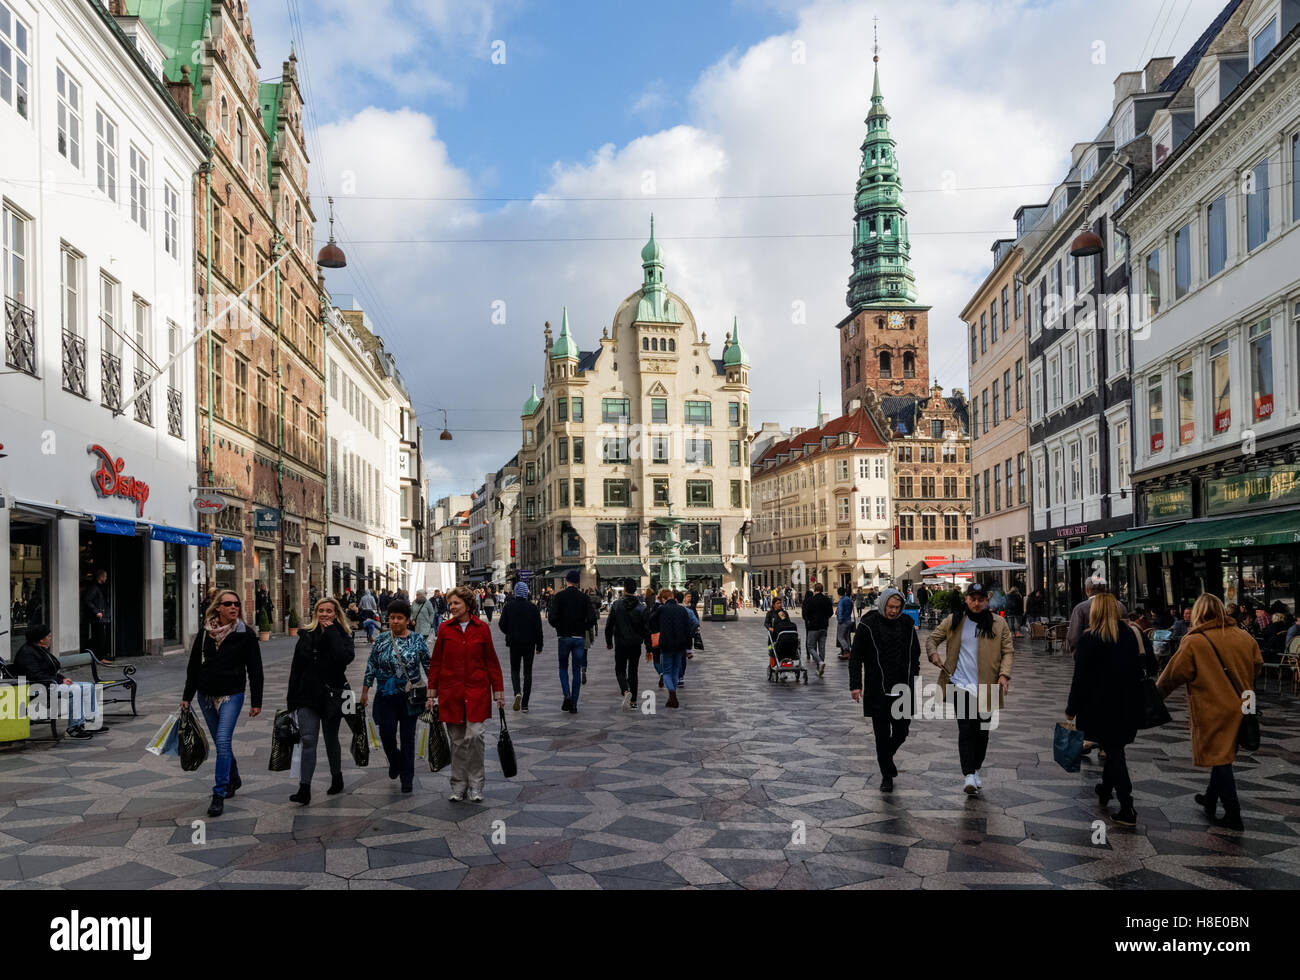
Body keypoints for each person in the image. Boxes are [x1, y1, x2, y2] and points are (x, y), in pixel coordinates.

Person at [1157, 594, 1263, 831]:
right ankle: (1210, 798)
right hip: (1242, 705)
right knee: (1223, 755)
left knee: (1220, 758)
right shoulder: (1244, 636)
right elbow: (1257, 666)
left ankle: (1233, 814)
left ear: (1197, 613)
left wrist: (1153, 699)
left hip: (1212, 708)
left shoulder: (1194, 642)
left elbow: (1172, 675)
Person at [925, 582, 1014, 796]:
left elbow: (1008, 651)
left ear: (986, 600)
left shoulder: (998, 623)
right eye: (972, 598)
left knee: (982, 732)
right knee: (966, 729)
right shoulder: (954, 621)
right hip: (959, 683)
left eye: (980, 599)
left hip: (988, 684)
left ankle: (975, 769)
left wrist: (1004, 674)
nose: (976, 602)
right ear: (966, 599)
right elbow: (932, 639)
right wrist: (933, 655)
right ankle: (968, 775)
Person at [182, 590, 264, 817]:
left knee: (222, 739)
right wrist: (187, 697)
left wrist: (256, 701)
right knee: (222, 743)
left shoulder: (245, 634)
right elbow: (193, 667)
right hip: (205, 694)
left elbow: (256, 670)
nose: (234, 607)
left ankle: (219, 793)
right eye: (228, 604)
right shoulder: (206, 632)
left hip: (231, 694)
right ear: (218, 607)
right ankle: (234, 778)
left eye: (236, 604)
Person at [1065, 593, 1145, 827]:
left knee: (1115, 751)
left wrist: (1071, 708)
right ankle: (1104, 788)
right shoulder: (1131, 635)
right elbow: (1147, 664)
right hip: (1128, 705)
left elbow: (1079, 679)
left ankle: (1127, 805)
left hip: (1099, 708)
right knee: (1114, 748)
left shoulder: (1089, 640)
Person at [427, 587, 505, 803]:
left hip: (476, 691)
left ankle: (477, 784)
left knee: (475, 736)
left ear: (468, 605)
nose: (452, 607)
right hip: (451, 692)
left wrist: (498, 691)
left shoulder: (481, 629)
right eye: (450, 604)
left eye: (456, 604)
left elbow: (491, 661)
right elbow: (436, 662)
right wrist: (431, 693)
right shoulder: (444, 629)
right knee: (458, 741)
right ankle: (459, 784)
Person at [849, 589, 921, 792]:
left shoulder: (907, 624)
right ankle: (886, 775)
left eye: (897, 608)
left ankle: (886, 760)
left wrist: (913, 674)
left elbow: (915, 652)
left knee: (901, 731)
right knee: (881, 735)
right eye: (890, 607)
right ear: (882, 605)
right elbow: (855, 657)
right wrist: (855, 685)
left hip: (902, 689)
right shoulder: (868, 624)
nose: (893, 611)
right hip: (877, 689)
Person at [285, 597, 354, 805]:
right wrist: (291, 701)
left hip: (332, 694)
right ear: (315, 613)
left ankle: (337, 776)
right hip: (308, 695)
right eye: (321, 611)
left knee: (331, 739)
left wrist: (332, 631)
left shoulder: (343, 634)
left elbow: (344, 658)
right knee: (308, 740)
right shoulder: (306, 635)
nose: (324, 614)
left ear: (336, 614)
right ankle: (304, 788)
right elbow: (296, 668)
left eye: (329, 611)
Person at [360, 598, 431, 794]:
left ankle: (407, 778)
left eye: (400, 618)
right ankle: (395, 761)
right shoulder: (382, 640)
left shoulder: (417, 640)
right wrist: (365, 691)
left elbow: (429, 666)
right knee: (386, 734)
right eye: (392, 618)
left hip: (410, 697)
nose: (396, 621)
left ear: (408, 620)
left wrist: (433, 694)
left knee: (408, 737)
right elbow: (371, 665)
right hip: (385, 696)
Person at [14, 624, 99, 739]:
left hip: (49, 683)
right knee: (75, 689)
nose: (50, 638)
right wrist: (59, 681)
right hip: (37, 686)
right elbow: (37, 675)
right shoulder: (27, 653)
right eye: (48, 636)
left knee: (88, 687)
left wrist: (62, 679)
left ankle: (90, 722)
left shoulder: (40, 650)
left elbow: (50, 670)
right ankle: (74, 727)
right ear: (41, 639)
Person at [548, 569, 596, 713]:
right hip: (579, 638)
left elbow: (552, 618)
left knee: (563, 667)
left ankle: (567, 695)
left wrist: (559, 627)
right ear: (578, 582)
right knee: (576, 670)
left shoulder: (559, 596)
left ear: (566, 581)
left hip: (564, 637)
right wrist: (584, 627)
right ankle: (574, 703)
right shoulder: (584, 597)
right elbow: (592, 619)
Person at [499, 580, 544, 712]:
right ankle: (525, 704)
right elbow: (538, 628)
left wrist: (510, 632)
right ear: (526, 593)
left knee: (515, 670)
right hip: (529, 644)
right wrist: (539, 645)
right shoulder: (533, 607)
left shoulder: (509, 606)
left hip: (514, 643)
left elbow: (501, 625)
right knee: (528, 672)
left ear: (515, 592)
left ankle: (517, 692)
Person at [606, 578, 649, 710]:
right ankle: (634, 701)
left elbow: (609, 625)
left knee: (619, 669)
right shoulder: (642, 607)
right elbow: (647, 629)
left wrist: (609, 641)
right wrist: (649, 648)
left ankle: (625, 690)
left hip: (620, 643)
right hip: (636, 644)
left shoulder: (617, 605)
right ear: (635, 589)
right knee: (633, 671)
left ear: (624, 589)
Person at [647, 589, 693, 709]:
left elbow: (650, 620)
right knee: (676, 669)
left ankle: (672, 694)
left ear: (663, 599)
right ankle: (672, 696)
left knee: (667, 671)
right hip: (680, 645)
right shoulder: (682, 609)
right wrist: (689, 647)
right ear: (673, 597)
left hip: (666, 644)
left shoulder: (662, 609)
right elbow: (688, 628)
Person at [1065, 579, 1127, 663]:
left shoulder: (1080, 608)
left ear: (1087, 590)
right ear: (1105, 589)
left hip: (1090, 657)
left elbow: (1074, 637)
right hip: (1117, 656)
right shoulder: (1120, 606)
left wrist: (1078, 654)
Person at [801, 582, 834, 678]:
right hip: (824, 626)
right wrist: (825, 618)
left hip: (813, 627)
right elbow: (831, 612)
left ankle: (820, 662)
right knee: (822, 647)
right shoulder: (827, 599)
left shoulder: (810, 600)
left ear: (815, 590)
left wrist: (808, 621)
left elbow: (805, 614)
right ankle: (820, 667)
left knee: (810, 646)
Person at [82, 570, 113, 661]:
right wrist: (96, 612)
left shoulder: (102, 587)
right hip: (97, 618)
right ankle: (99, 657)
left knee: (101, 637)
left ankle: (100, 656)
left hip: (103, 617)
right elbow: (87, 600)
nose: (106, 578)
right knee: (99, 638)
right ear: (101, 577)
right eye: (105, 576)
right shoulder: (94, 588)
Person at [834, 587, 855, 661]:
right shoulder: (849, 599)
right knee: (846, 637)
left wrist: (839, 621)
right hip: (849, 620)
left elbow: (840, 611)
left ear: (838, 593)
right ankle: (849, 651)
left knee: (840, 637)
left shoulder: (841, 601)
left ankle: (846, 650)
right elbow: (851, 608)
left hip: (843, 621)